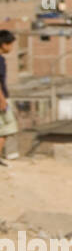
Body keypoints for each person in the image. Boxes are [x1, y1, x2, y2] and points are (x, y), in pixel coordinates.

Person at [0, 29, 16, 164]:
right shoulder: (0, 60)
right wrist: (2, 100)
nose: (11, 48)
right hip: (1, 98)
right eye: (10, 44)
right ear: (4, 44)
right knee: (6, 128)